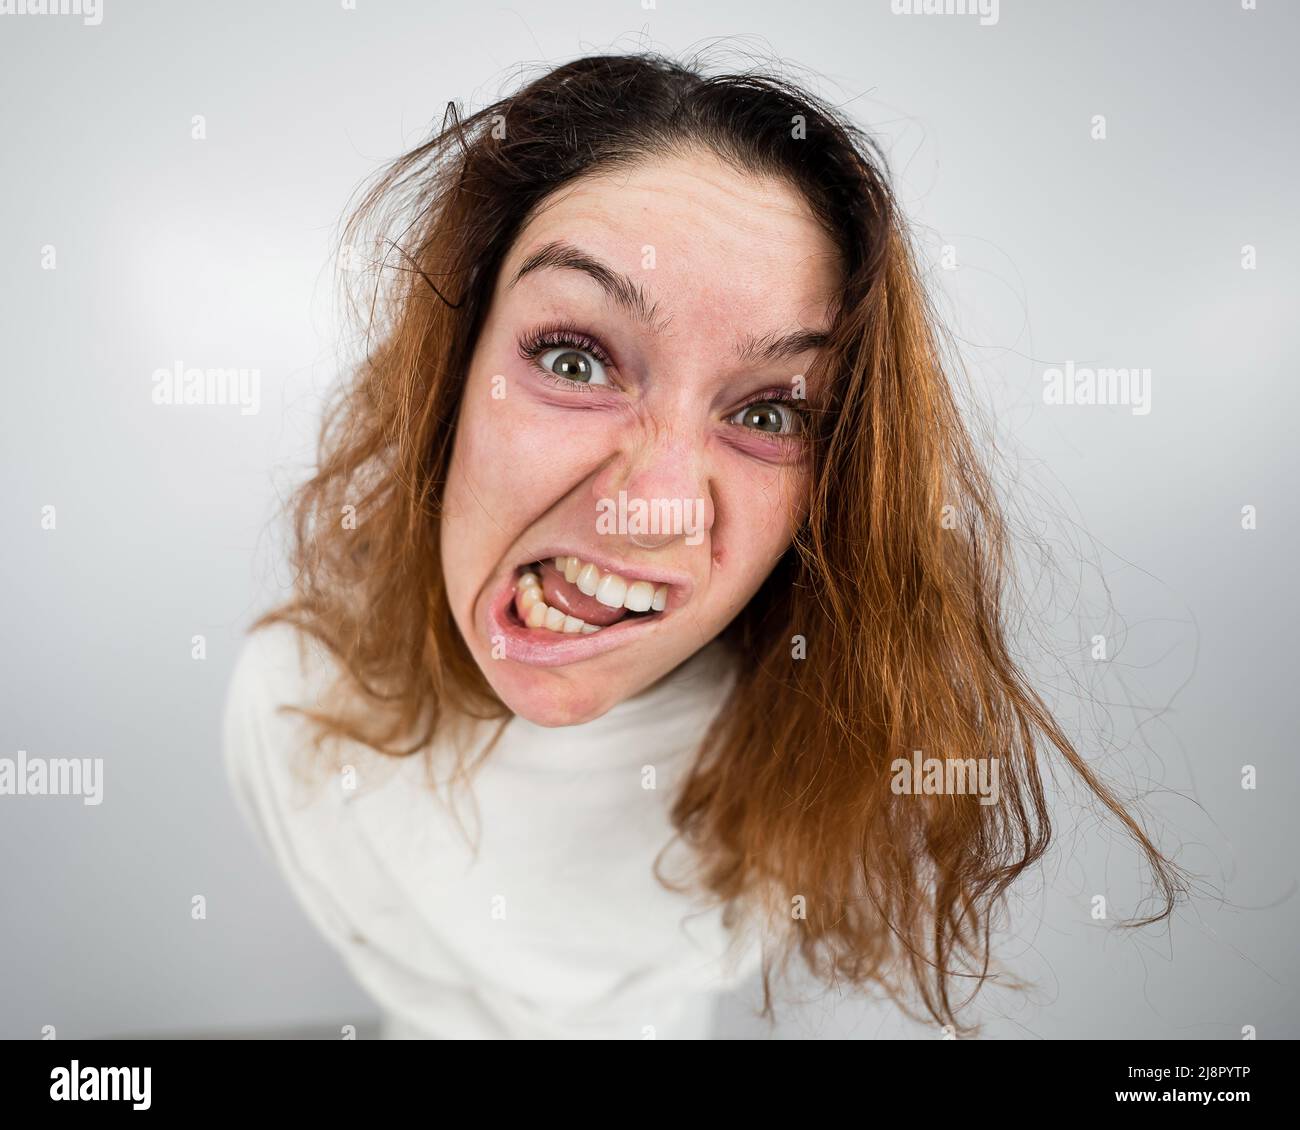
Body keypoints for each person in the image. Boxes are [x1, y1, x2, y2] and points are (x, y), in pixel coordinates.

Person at [222, 50, 1185, 1039]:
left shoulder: (813, 746)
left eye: (770, 414)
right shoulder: (289, 706)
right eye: (573, 357)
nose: (659, 502)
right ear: (454, 367)